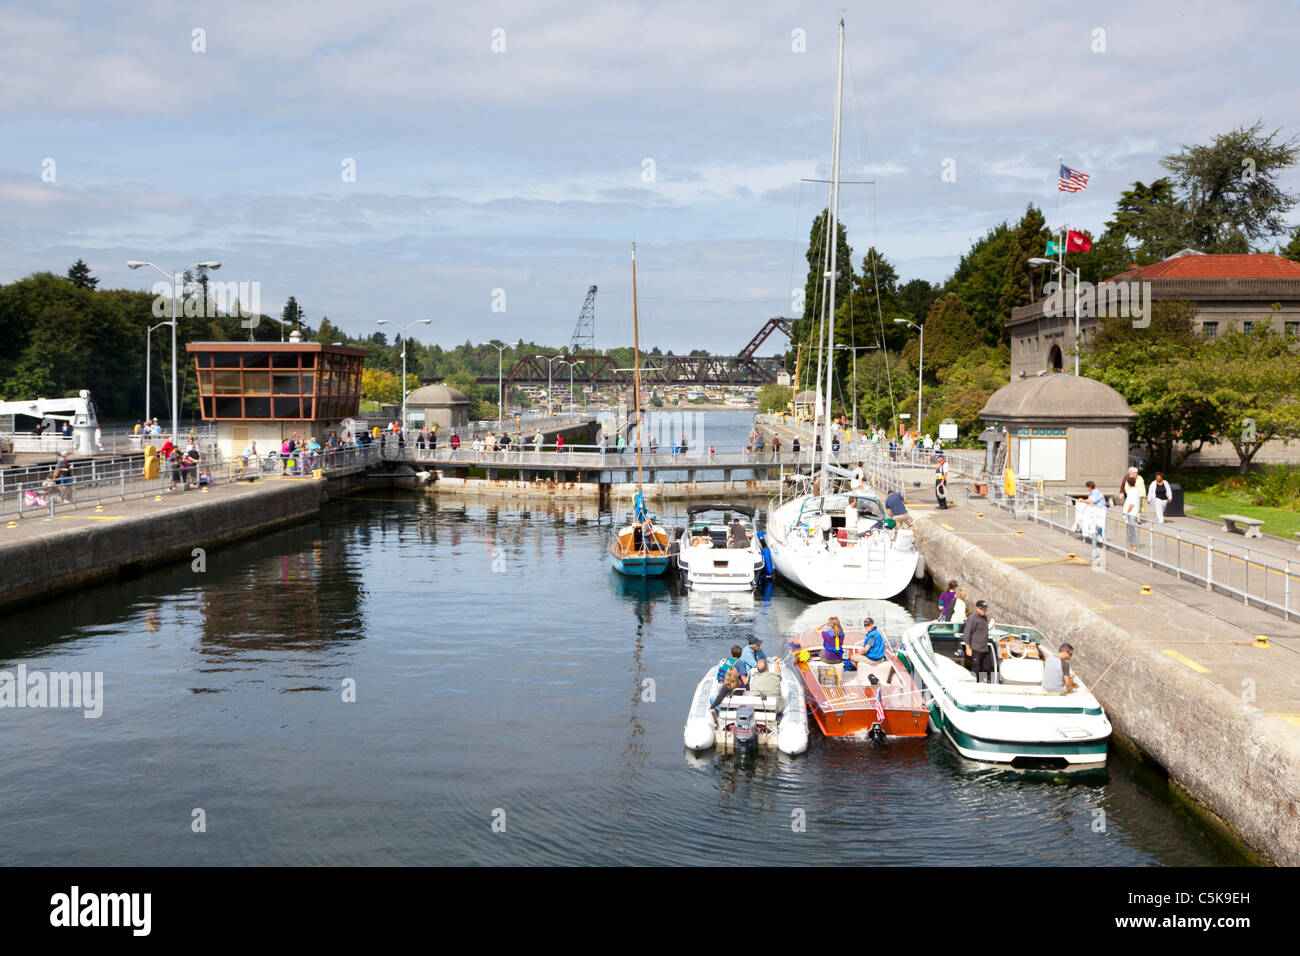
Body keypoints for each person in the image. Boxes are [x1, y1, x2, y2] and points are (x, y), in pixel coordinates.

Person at [962, 600, 993, 682]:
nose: (984, 611)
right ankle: (973, 683)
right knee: (976, 667)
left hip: (984, 647)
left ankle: (983, 682)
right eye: (982, 609)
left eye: (985, 609)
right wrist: (968, 647)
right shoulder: (972, 618)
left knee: (987, 667)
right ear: (977, 608)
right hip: (976, 648)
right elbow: (967, 633)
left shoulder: (985, 617)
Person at [1123, 474, 1142, 547]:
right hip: (1134, 511)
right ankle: (1131, 544)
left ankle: (1133, 545)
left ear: (1128, 483)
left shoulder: (1131, 491)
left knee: (1131, 529)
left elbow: (1131, 503)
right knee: (1130, 529)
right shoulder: (1136, 490)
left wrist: (1126, 512)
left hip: (1131, 512)